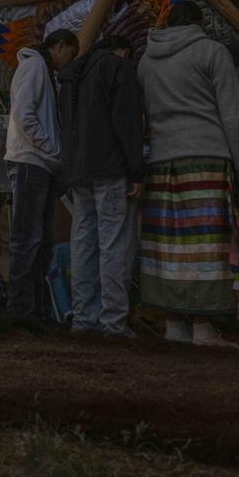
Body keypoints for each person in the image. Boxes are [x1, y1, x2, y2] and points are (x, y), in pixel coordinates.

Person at [137, 1, 239, 348]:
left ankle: (173, 325)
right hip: (207, 157)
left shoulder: (145, 60)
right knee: (205, 244)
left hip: (161, 160)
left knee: (167, 246)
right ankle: (202, 328)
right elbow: (232, 113)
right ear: (200, 24)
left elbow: (142, 115)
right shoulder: (212, 51)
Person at [58, 35, 144, 337]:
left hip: (78, 172)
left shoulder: (71, 75)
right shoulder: (118, 68)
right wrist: (136, 170)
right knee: (114, 244)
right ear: (123, 51)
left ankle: (84, 318)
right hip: (110, 168)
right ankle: (113, 321)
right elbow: (127, 123)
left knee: (83, 244)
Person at [4, 28, 79, 326]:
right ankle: (20, 310)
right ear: (59, 46)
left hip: (40, 164)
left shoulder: (44, 71)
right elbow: (24, 115)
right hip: (30, 162)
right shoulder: (34, 66)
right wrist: (53, 148)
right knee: (28, 238)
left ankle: (35, 310)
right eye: (70, 53)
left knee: (41, 240)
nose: (69, 61)